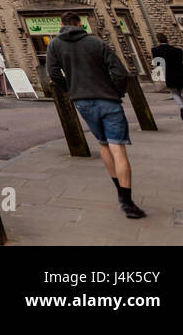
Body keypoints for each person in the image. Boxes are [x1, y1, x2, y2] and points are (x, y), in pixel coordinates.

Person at [47, 13, 144, 219]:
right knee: (118, 147)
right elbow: (120, 72)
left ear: (62, 24)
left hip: (82, 101)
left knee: (103, 144)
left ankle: (119, 191)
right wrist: (116, 91)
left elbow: (53, 73)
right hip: (108, 99)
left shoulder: (54, 45)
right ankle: (127, 201)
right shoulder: (96, 42)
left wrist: (71, 89)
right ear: (80, 24)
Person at [151, 33, 183, 122]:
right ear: (167, 40)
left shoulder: (155, 50)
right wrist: (181, 69)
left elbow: (157, 64)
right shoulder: (178, 50)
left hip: (169, 75)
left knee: (175, 93)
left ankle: (182, 107)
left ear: (158, 40)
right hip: (182, 75)